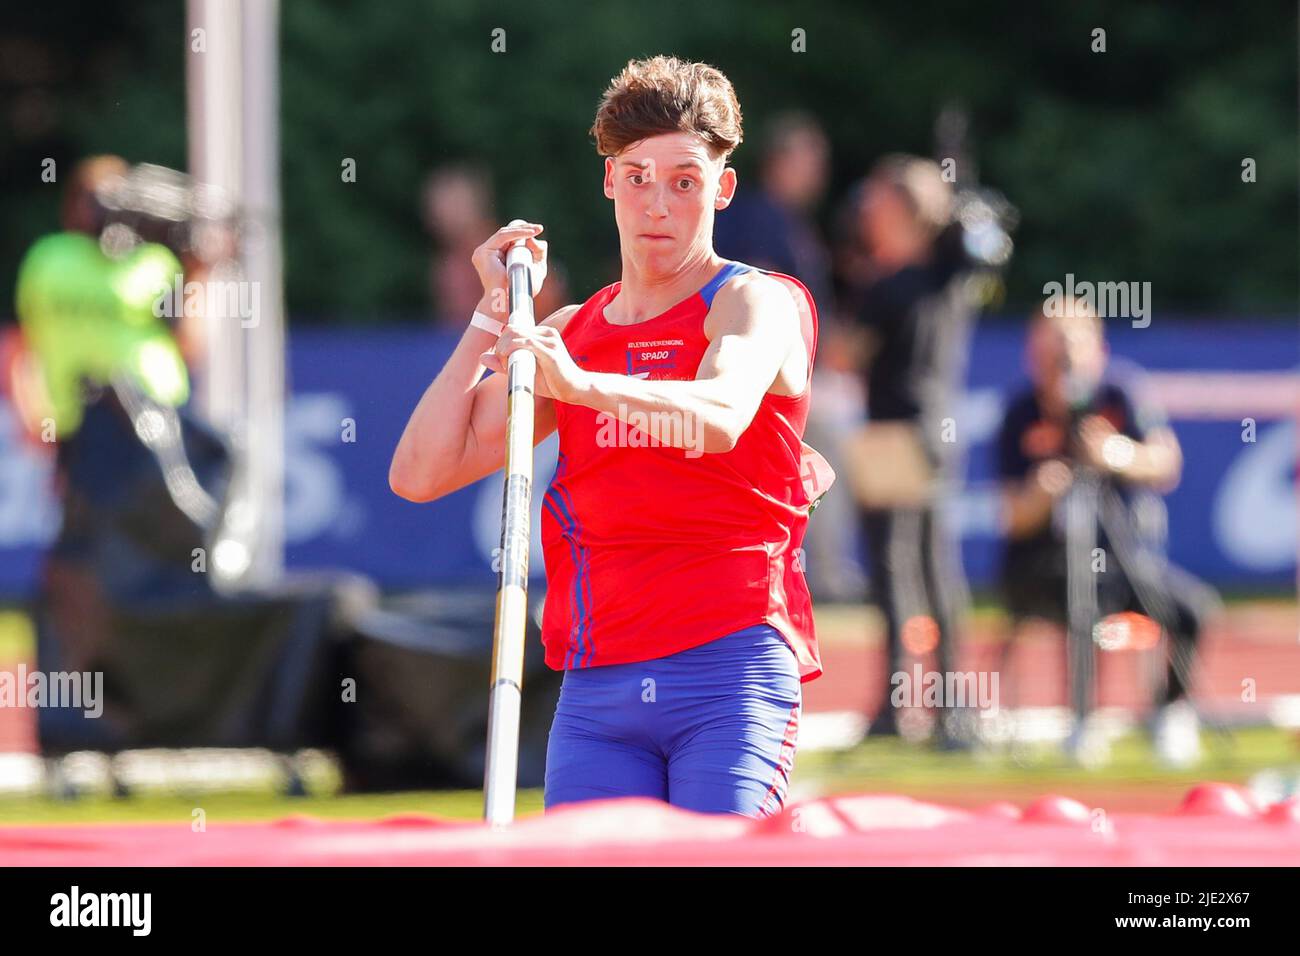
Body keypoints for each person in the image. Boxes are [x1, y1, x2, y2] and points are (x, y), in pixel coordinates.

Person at [390, 55, 830, 817]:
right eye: (637, 177)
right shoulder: (574, 336)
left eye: (684, 181)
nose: (657, 204)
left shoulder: (756, 304)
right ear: (609, 182)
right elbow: (421, 473)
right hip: (599, 687)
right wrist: (493, 316)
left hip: (728, 666)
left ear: (722, 187)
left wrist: (580, 386)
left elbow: (720, 416)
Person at [996, 299, 1222, 767]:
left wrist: (1116, 454)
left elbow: (1166, 463)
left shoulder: (1121, 394)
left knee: (1193, 609)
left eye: (1071, 346)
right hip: (1043, 566)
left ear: (1097, 350)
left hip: (1124, 561)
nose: (1062, 361)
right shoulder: (1020, 411)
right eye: (1049, 348)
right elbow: (1009, 516)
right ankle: (1083, 722)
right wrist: (1041, 493)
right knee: (1084, 604)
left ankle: (1171, 713)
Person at [841, 155, 977, 744]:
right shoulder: (949, 279)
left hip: (893, 430)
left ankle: (897, 710)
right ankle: (951, 709)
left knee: (894, 573)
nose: (866, 215)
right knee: (934, 569)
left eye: (877, 204)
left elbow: (846, 355)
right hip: (935, 427)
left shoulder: (891, 285)